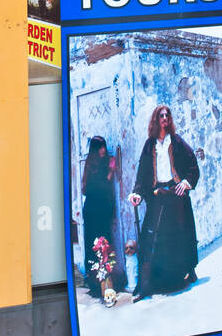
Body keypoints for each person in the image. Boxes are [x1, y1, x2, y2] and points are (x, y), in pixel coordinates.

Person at [129, 104, 200, 302]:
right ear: (155, 119)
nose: (164, 118)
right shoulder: (149, 145)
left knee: (182, 234)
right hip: (157, 195)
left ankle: (189, 270)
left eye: (167, 115)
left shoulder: (176, 142)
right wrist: (137, 193)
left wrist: (185, 183)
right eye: (161, 115)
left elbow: (193, 165)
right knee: (151, 239)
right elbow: (142, 173)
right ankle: (147, 284)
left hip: (175, 196)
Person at [81, 136, 116, 300]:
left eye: (104, 147)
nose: (103, 150)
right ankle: (95, 284)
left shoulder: (104, 162)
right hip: (93, 210)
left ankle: (107, 282)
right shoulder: (91, 164)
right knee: (93, 245)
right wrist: (110, 172)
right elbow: (89, 188)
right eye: (100, 147)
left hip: (103, 209)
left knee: (105, 244)